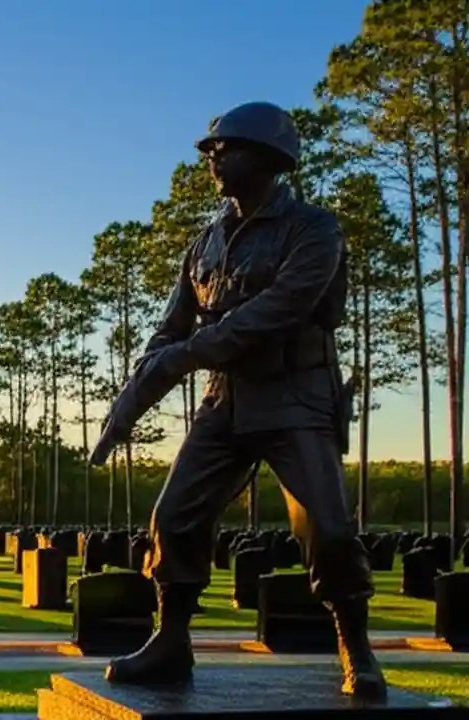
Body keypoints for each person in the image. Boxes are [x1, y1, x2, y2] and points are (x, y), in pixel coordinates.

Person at [102, 101, 386, 699]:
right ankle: (171, 641)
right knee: (173, 517)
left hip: (295, 398)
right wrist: (138, 389)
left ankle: (356, 650)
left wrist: (183, 355)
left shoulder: (314, 228)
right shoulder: (206, 242)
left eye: (224, 148)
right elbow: (173, 325)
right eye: (210, 150)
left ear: (268, 157)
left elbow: (275, 311)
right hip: (226, 400)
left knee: (330, 532)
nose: (212, 158)